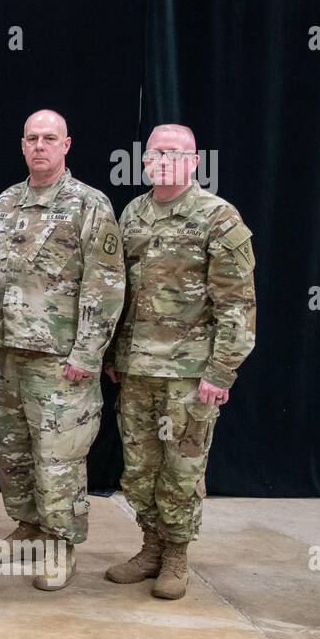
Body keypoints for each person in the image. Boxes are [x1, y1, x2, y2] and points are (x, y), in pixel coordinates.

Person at [104, 124, 256, 599]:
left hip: (189, 373)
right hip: (136, 368)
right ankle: (150, 547)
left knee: (182, 470)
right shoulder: (133, 214)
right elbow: (118, 292)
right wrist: (112, 353)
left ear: (193, 160)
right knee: (140, 467)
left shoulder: (218, 217)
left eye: (175, 152)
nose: (164, 159)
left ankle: (176, 556)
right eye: (155, 152)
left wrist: (221, 370)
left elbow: (238, 303)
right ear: (144, 161)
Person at [0, 109, 124, 590]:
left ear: (67, 145)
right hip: (10, 355)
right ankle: (29, 527)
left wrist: (88, 352)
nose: (40, 145)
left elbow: (105, 285)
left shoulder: (89, 203)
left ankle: (60, 544)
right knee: (13, 452)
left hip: (62, 360)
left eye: (50, 138)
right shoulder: (6, 202)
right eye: (32, 138)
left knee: (59, 458)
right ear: (22, 145)